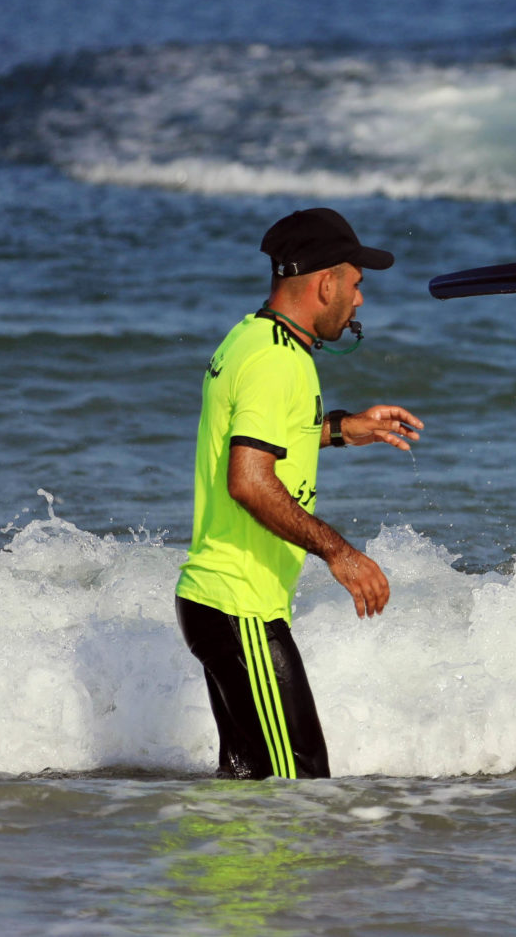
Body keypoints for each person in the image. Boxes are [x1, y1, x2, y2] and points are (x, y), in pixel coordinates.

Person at [177, 208, 423, 780]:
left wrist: (342, 429)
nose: (359, 300)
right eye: (356, 285)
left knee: (248, 786)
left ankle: (223, 872)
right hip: (241, 607)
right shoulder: (275, 361)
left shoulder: (251, 337)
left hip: (217, 601)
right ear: (326, 283)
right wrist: (340, 552)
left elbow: (262, 437)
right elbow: (249, 479)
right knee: (300, 787)